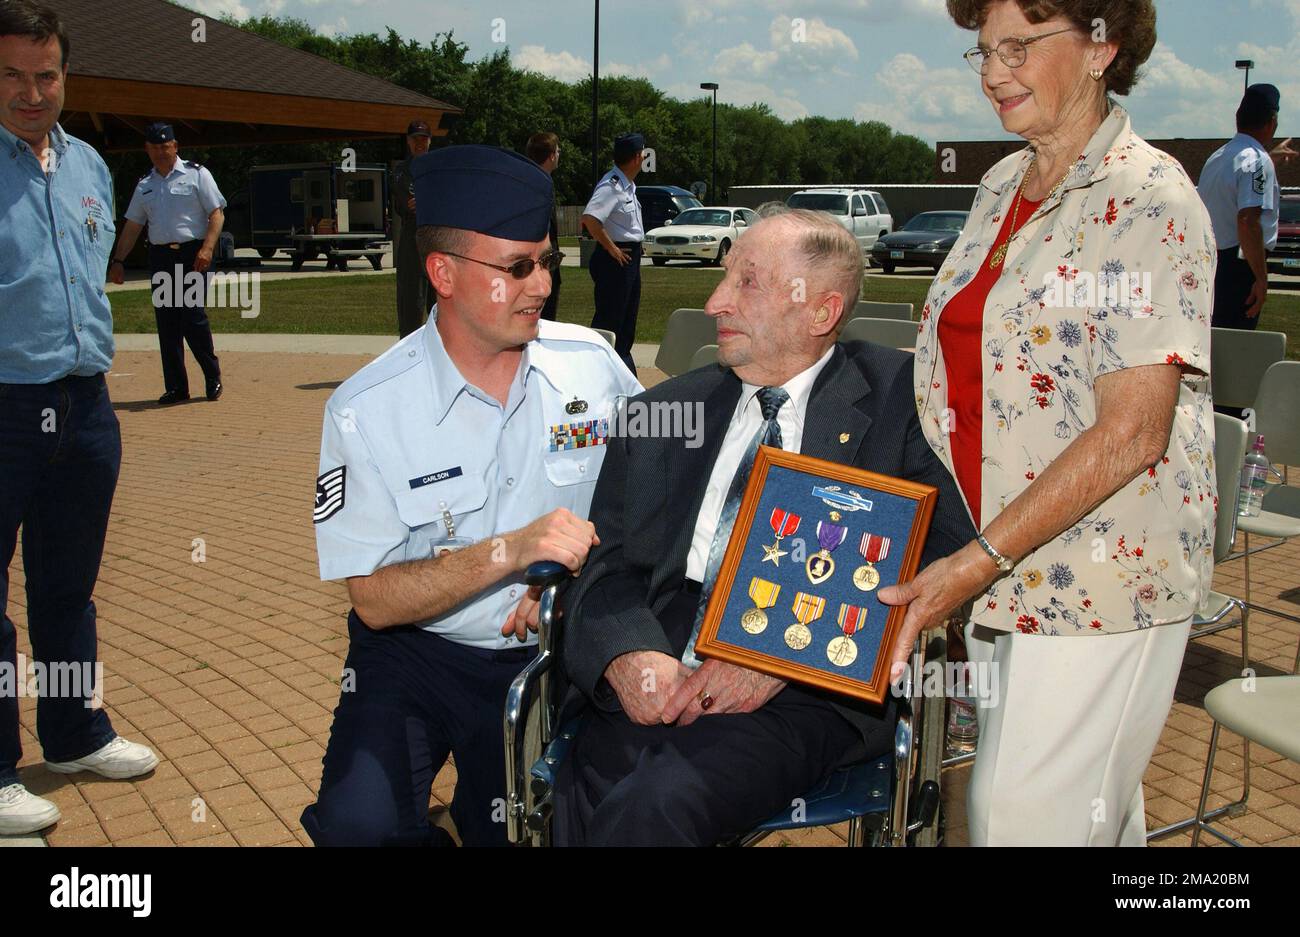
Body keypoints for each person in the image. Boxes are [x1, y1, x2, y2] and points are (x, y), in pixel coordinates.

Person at [885, 0, 1216, 846]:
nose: (995, 71)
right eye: (984, 51)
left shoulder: (1149, 196)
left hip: (1102, 576)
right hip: (1000, 561)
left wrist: (974, 560)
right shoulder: (1002, 185)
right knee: (1086, 814)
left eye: (1020, 47)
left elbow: (1135, 431)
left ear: (1101, 47)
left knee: (1017, 819)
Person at [554, 205, 974, 846]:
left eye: (746, 281)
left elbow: (941, 554)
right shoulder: (662, 412)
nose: (716, 302)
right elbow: (605, 564)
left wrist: (780, 658)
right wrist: (629, 657)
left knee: (652, 808)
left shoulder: (902, 401)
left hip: (804, 672)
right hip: (662, 640)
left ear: (820, 312)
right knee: (584, 801)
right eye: (725, 277)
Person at [300, 145, 642, 847]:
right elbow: (372, 597)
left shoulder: (593, 367)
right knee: (356, 827)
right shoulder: (366, 408)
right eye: (516, 267)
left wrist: (577, 576)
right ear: (443, 273)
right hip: (414, 654)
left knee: (521, 831)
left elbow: (652, 497)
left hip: (548, 656)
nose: (541, 284)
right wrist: (510, 551)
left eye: (547, 260)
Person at [0, 0, 158, 836]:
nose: (33, 92)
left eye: (47, 75)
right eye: (14, 75)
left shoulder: (92, 165)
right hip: (3, 403)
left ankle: (72, 734)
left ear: (67, 77)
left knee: (67, 589)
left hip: (85, 403)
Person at [109, 122, 225, 404]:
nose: (161, 152)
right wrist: (118, 260)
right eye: (155, 148)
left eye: (166, 147)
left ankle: (212, 376)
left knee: (192, 317)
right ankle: (176, 387)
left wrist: (207, 248)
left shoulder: (197, 174)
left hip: (192, 255)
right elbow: (133, 226)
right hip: (161, 257)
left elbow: (217, 214)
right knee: (168, 322)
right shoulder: (145, 185)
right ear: (147, 150)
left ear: (175, 146)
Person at [1198, 84, 1282, 333]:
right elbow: (1247, 220)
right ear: (1272, 122)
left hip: (1213, 261)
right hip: (1239, 266)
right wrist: (1260, 278)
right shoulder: (1257, 161)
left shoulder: (1218, 156)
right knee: (1237, 343)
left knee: (1214, 339)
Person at [582, 132, 646, 372]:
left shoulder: (628, 185)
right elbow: (590, 218)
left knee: (626, 322)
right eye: (642, 154)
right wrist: (612, 249)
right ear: (637, 157)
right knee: (611, 321)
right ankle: (599, 370)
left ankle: (622, 369)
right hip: (615, 261)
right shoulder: (612, 185)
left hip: (629, 258)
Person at [391, 119, 434, 337]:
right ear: (408, 141)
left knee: (441, 299)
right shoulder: (401, 171)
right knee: (410, 301)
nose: (420, 143)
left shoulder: (439, 167)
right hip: (412, 239)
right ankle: (409, 352)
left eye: (424, 139)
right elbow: (404, 202)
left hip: (438, 239)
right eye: (415, 139)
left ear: (430, 141)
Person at [525, 132, 562, 322]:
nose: (559, 154)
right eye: (558, 150)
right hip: (541, 261)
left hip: (547, 259)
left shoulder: (539, 180)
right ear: (551, 155)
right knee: (543, 314)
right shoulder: (537, 184)